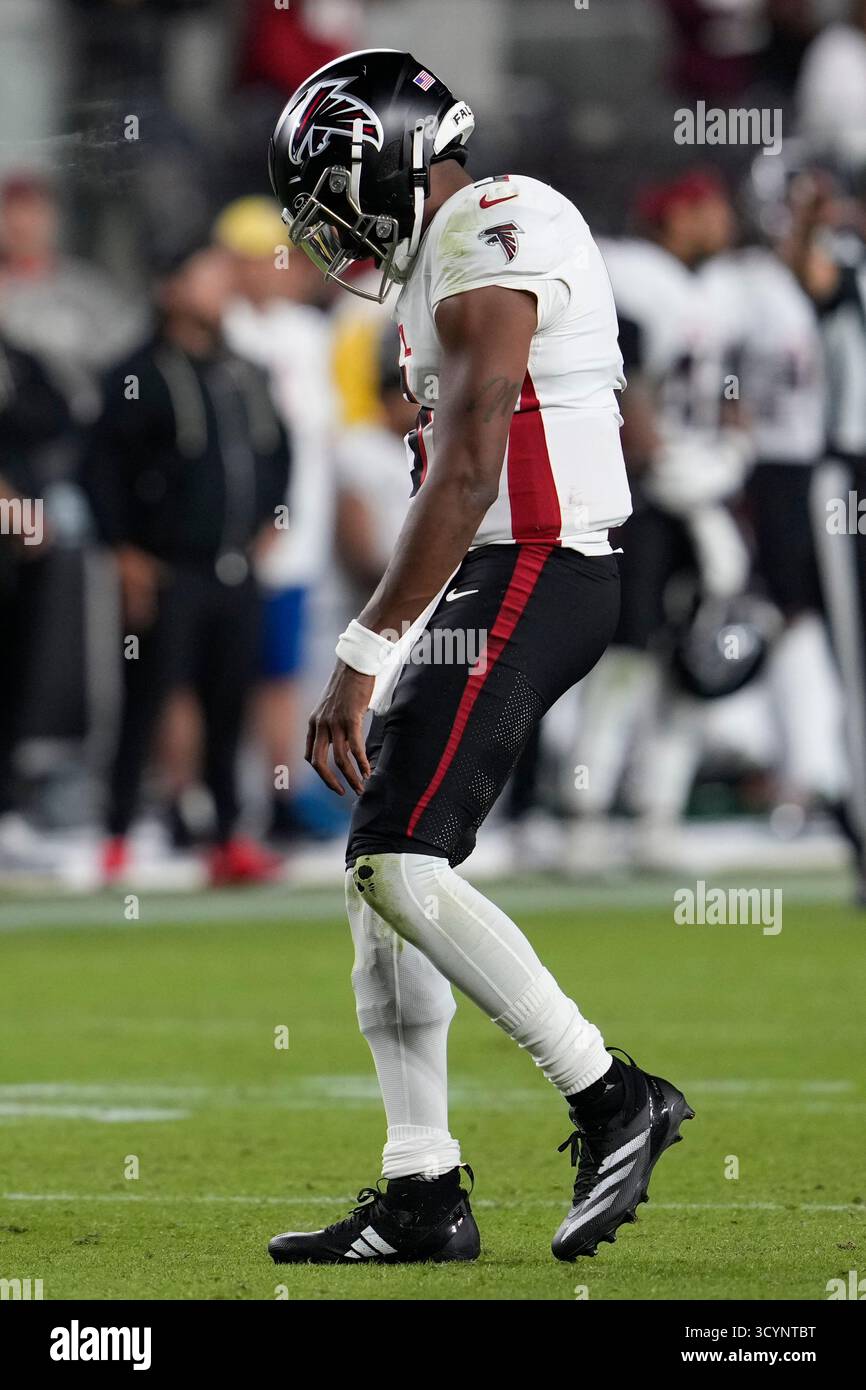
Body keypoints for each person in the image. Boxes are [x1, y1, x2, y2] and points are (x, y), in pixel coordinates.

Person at [265, 48, 693, 1267]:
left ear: (390, 157)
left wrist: (359, 651)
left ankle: (611, 1094)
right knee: (376, 882)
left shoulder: (497, 222)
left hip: (539, 562)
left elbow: (468, 467)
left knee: (401, 858)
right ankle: (421, 1190)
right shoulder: (444, 260)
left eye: (335, 189)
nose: (329, 226)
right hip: (496, 573)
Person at [81, 242, 290, 886]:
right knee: (146, 700)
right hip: (166, 570)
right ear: (170, 288)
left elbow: (279, 451)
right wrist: (123, 552)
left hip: (234, 569)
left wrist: (271, 520)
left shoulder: (244, 372)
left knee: (229, 702)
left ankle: (227, 836)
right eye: (206, 275)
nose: (220, 287)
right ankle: (116, 832)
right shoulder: (135, 374)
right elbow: (101, 469)